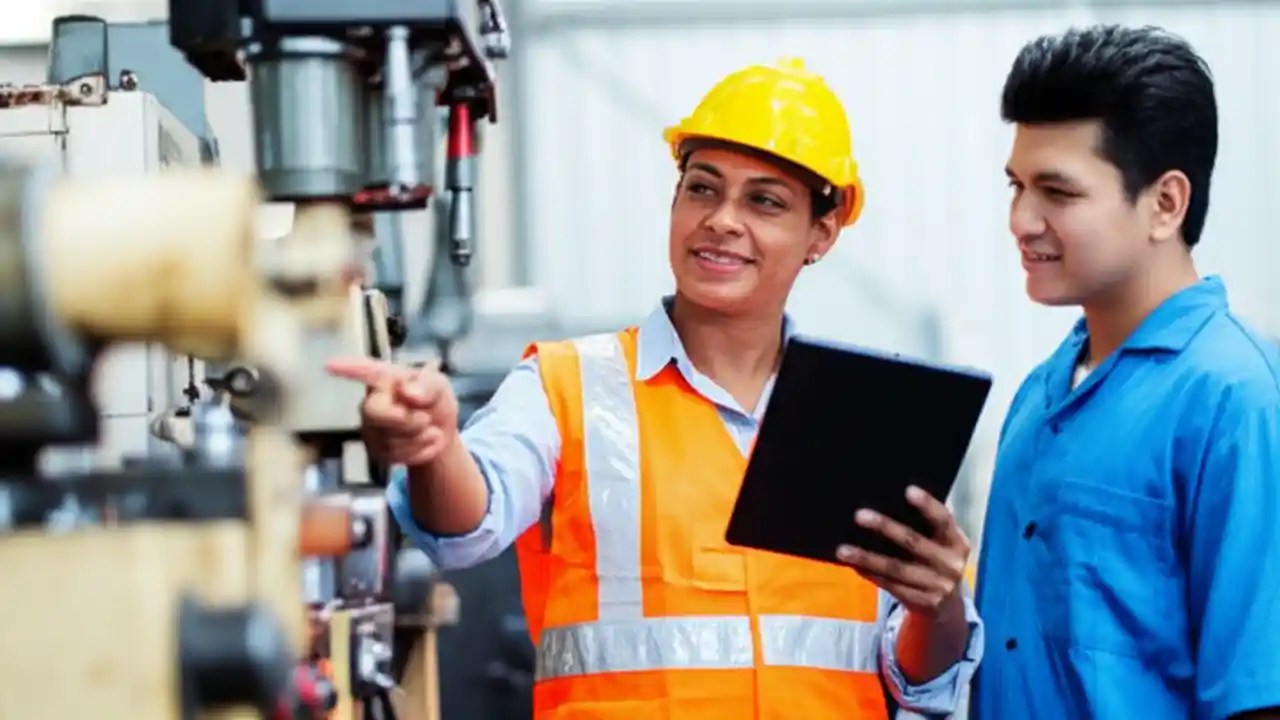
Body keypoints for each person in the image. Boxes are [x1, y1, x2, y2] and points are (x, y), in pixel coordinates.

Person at [330, 57, 984, 719]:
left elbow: (918, 683)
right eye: (702, 189)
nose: (722, 219)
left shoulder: (866, 420)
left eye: (764, 200)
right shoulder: (569, 385)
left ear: (822, 231)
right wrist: (434, 445)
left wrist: (941, 602)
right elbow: (463, 528)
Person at [973, 24, 1280, 719]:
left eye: (1058, 192)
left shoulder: (1238, 399)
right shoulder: (1039, 395)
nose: (1022, 219)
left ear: (1165, 204)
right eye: (1017, 185)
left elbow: (1259, 693)